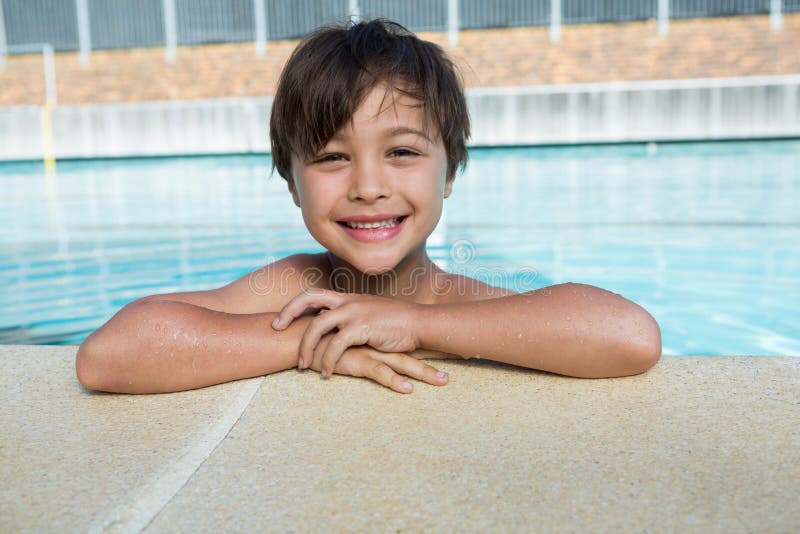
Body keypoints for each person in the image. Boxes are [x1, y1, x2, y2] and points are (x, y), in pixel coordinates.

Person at [76, 19, 661, 395]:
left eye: (402, 151)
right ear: (291, 184)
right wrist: (318, 338)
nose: (368, 185)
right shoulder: (294, 287)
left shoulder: (464, 303)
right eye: (332, 158)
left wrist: (413, 324)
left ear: (450, 172)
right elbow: (108, 355)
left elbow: (629, 335)